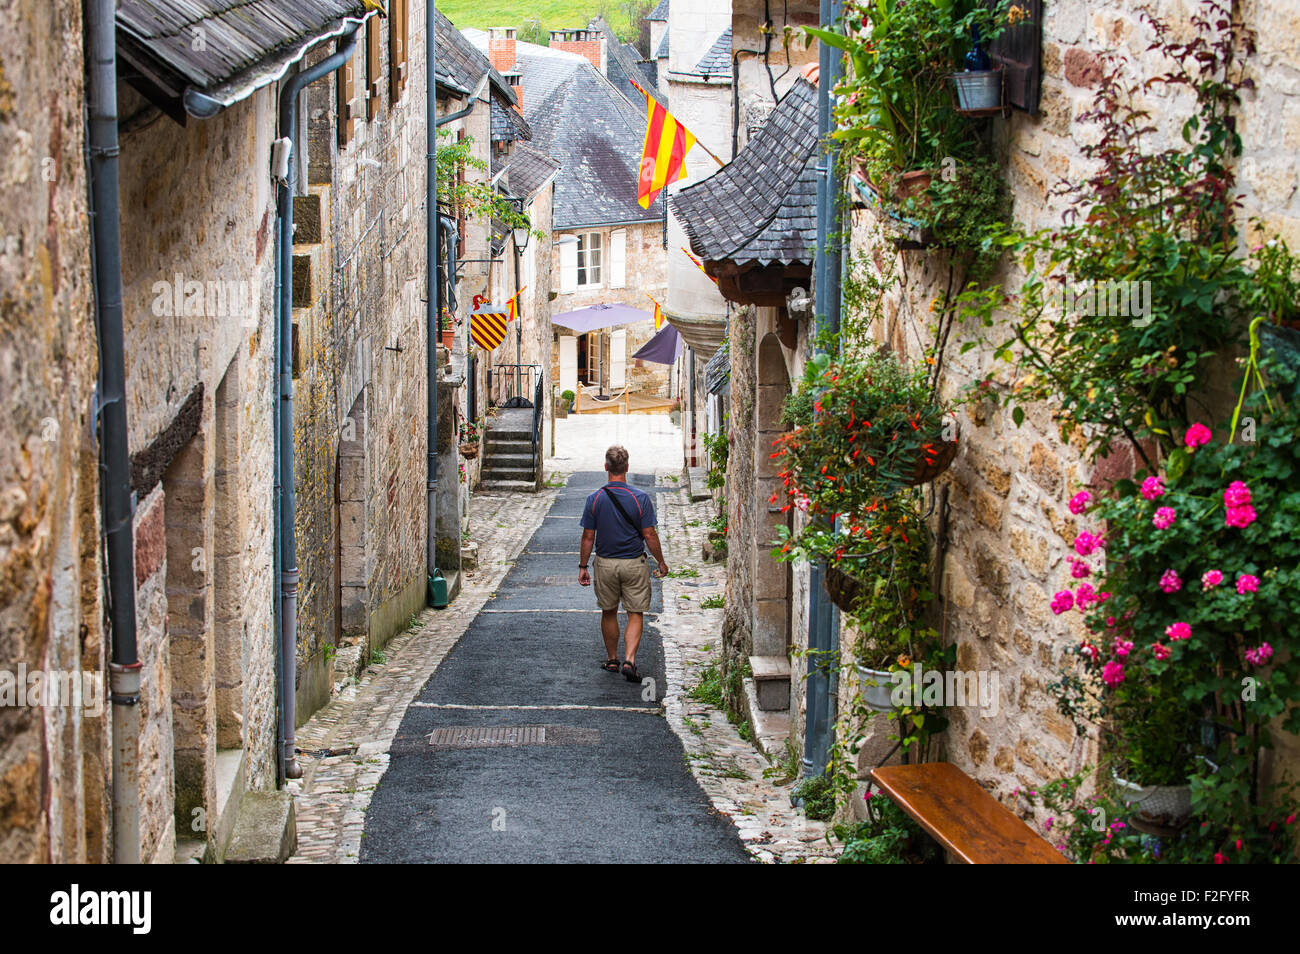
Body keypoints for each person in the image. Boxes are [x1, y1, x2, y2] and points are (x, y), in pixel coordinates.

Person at [578, 445, 669, 682]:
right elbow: (649, 534)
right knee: (635, 612)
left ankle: (612, 659)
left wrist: (583, 566)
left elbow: (588, 537)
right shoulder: (640, 498)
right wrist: (660, 562)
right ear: (627, 468)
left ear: (605, 467)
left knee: (608, 611)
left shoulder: (594, 499)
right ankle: (629, 659)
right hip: (634, 564)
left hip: (606, 563)